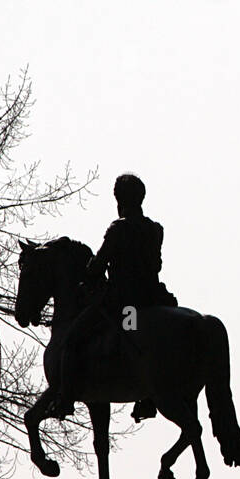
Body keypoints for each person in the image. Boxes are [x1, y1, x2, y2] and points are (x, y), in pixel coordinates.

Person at [50, 173, 176, 419]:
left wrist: (90, 271)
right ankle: (148, 399)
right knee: (144, 341)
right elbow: (156, 265)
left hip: (124, 303)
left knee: (73, 339)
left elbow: (99, 264)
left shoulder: (118, 229)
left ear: (120, 199)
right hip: (151, 299)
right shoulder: (155, 229)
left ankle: (65, 398)